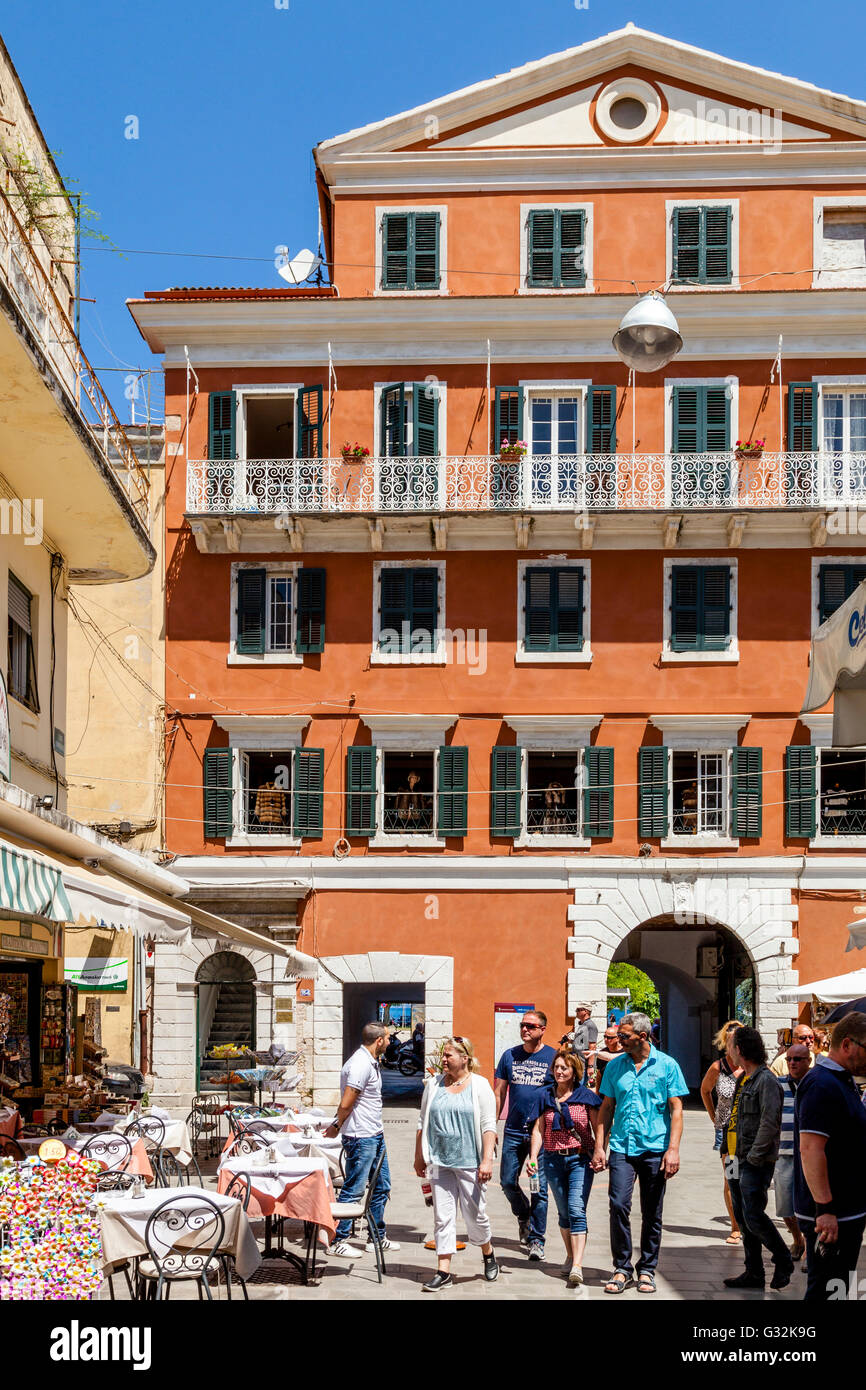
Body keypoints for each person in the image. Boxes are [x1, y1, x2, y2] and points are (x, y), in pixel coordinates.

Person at [592, 1011, 689, 1295]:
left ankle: (646, 1268)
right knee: (619, 1204)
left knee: (652, 1211)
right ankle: (622, 1267)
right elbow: (606, 1107)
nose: (618, 1041)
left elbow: (677, 1109)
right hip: (622, 1145)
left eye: (624, 1036)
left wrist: (673, 1150)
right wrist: (600, 1145)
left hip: (656, 1148)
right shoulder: (614, 1067)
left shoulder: (667, 1066)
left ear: (643, 1037)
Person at [415, 1036, 498, 1292]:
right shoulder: (433, 1084)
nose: (443, 1060)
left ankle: (487, 1250)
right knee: (443, 1218)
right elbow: (422, 1122)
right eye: (443, 1055)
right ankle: (444, 1271)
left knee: (475, 1216)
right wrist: (418, 1156)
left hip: (470, 1162)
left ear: (465, 1058)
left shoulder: (480, 1086)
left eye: (448, 1055)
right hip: (439, 1161)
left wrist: (487, 1160)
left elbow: (488, 1126)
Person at [794, 1011, 866, 1301]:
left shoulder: (842, 1080)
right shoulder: (822, 1083)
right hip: (831, 1214)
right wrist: (825, 1210)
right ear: (847, 1045)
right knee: (828, 1291)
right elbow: (811, 1149)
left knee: (837, 1290)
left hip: (846, 1210)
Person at [722, 1026, 794, 1292]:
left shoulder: (766, 1081)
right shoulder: (743, 1078)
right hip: (732, 1157)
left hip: (753, 1160)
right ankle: (753, 1271)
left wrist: (753, 1156)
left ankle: (782, 1257)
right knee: (741, 1215)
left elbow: (769, 1122)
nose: (728, 1050)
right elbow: (728, 1115)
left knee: (753, 1214)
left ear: (740, 1050)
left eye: (731, 1046)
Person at [527, 1050, 603, 1286]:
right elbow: (539, 1130)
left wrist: (600, 1150)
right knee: (563, 1212)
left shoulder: (585, 1096)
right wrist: (532, 1157)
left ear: (574, 1072)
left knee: (576, 1209)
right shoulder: (544, 1096)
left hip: (580, 1160)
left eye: (564, 1068)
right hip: (552, 1160)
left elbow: (598, 1125)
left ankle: (577, 1266)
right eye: (557, 1067)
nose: (559, 1071)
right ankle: (570, 1255)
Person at [325, 1022, 400, 1258]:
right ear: (379, 1041)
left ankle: (376, 1237)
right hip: (361, 1137)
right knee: (354, 1189)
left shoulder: (369, 1061)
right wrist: (337, 1125)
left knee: (382, 1185)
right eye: (387, 1039)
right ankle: (339, 1239)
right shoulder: (359, 1064)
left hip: (374, 1134)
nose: (389, 1042)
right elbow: (347, 1102)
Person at [494, 1009, 556, 1262]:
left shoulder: (553, 1057)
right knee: (508, 1182)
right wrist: (491, 1127)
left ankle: (536, 1240)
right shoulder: (509, 1056)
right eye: (522, 1025)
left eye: (531, 1026)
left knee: (538, 1189)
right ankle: (524, 1215)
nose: (525, 1029)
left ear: (543, 1029)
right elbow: (499, 1093)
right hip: (512, 1130)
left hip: (540, 1134)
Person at [699, 1020, 744, 1244]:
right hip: (729, 1133)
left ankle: (750, 1222)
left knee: (752, 1179)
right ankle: (736, 1227)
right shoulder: (719, 1067)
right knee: (732, 1178)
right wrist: (714, 1118)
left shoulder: (752, 1065)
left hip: (752, 1132)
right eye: (731, 1041)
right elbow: (705, 1091)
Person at [775, 1043, 811, 1262]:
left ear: (808, 1061)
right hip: (784, 1152)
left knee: (811, 1205)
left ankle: (809, 1250)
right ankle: (798, 1240)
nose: (792, 1063)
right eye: (789, 1059)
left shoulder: (815, 1084)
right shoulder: (778, 1085)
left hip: (809, 1154)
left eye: (798, 1059)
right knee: (785, 1205)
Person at [562, 1002, 599, 1080]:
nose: (576, 1012)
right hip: (577, 1063)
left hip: (583, 1065)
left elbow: (592, 1046)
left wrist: (590, 1066)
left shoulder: (590, 1025)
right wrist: (569, 1041)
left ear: (586, 1011)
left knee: (579, 1088)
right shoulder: (583, 1025)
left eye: (578, 1010)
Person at [594, 1024, 624, 1088]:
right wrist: (597, 1093)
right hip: (605, 1089)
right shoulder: (602, 1053)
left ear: (617, 1038)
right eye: (604, 1036)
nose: (605, 1039)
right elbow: (599, 1074)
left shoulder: (624, 1052)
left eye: (609, 1037)